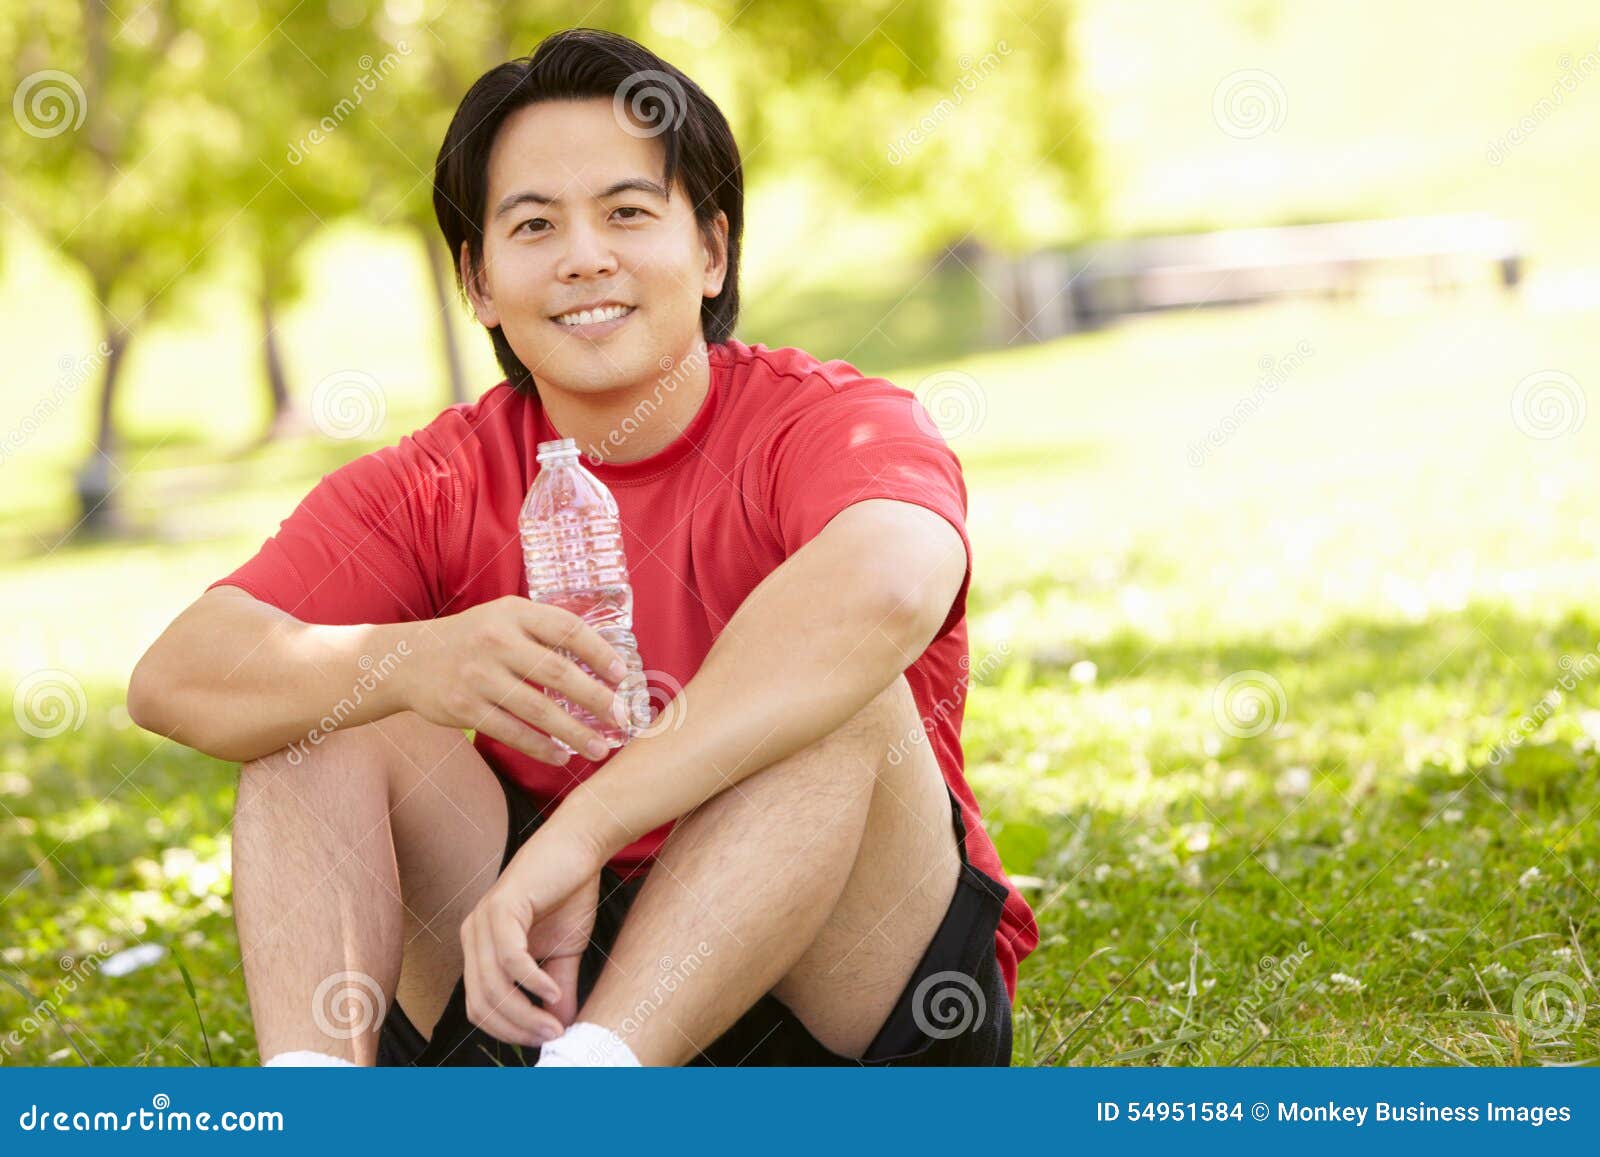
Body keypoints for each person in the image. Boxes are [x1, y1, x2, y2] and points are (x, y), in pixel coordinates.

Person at [127, 26, 1038, 1067]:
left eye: (627, 212)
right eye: (533, 224)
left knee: (841, 696)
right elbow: (177, 674)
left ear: (710, 250)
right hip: (538, 980)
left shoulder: (829, 422)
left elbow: (885, 589)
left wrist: (582, 828)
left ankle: (595, 1088)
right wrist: (411, 659)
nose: (583, 256)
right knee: (317, 717)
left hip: (846, 984)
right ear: (478, 282)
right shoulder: (440, 477)